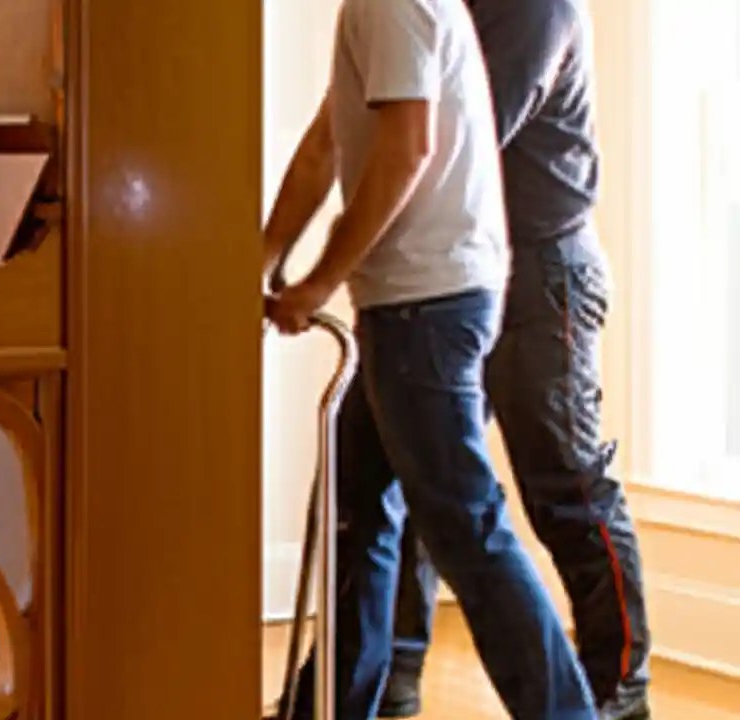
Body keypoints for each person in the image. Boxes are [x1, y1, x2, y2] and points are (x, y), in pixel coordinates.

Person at [264, 0, 596, 717]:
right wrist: (261, 258)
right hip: (410, 301)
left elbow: (407, 148)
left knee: (464, 526)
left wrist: (317, 280)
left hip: (428, 303)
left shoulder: (393, 3)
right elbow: (326, 145)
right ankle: (330, 705)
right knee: (356, 512)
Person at [379, 2, 652, 718]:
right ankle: (392, 675)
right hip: (466, 266)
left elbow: (463, 140)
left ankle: (616, 692)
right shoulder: (454, 9)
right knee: (422, 477)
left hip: (541, 272)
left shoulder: (535, 7)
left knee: (567, 488)